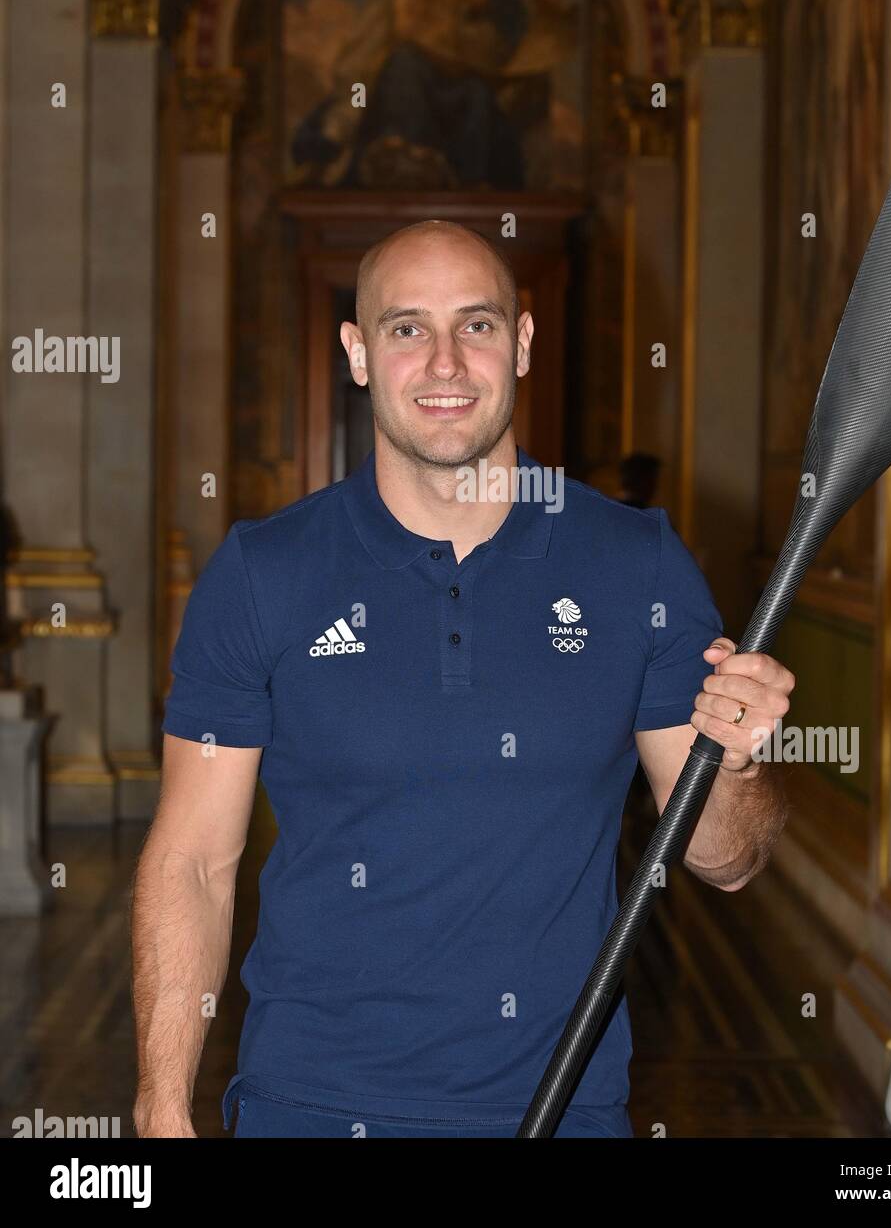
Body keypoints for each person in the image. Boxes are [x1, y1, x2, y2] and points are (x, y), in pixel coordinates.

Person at [132, 220, 794, 1140]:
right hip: (310, 1103)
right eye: (406, 329)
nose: (445, 361)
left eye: (476, 325)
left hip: (562, 1107)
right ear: (358, 354)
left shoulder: (636, 566)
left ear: (521, 344)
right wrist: (161, 1107)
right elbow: (194, 861)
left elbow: (724, 859)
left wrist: (741, 761)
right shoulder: (262, 573)